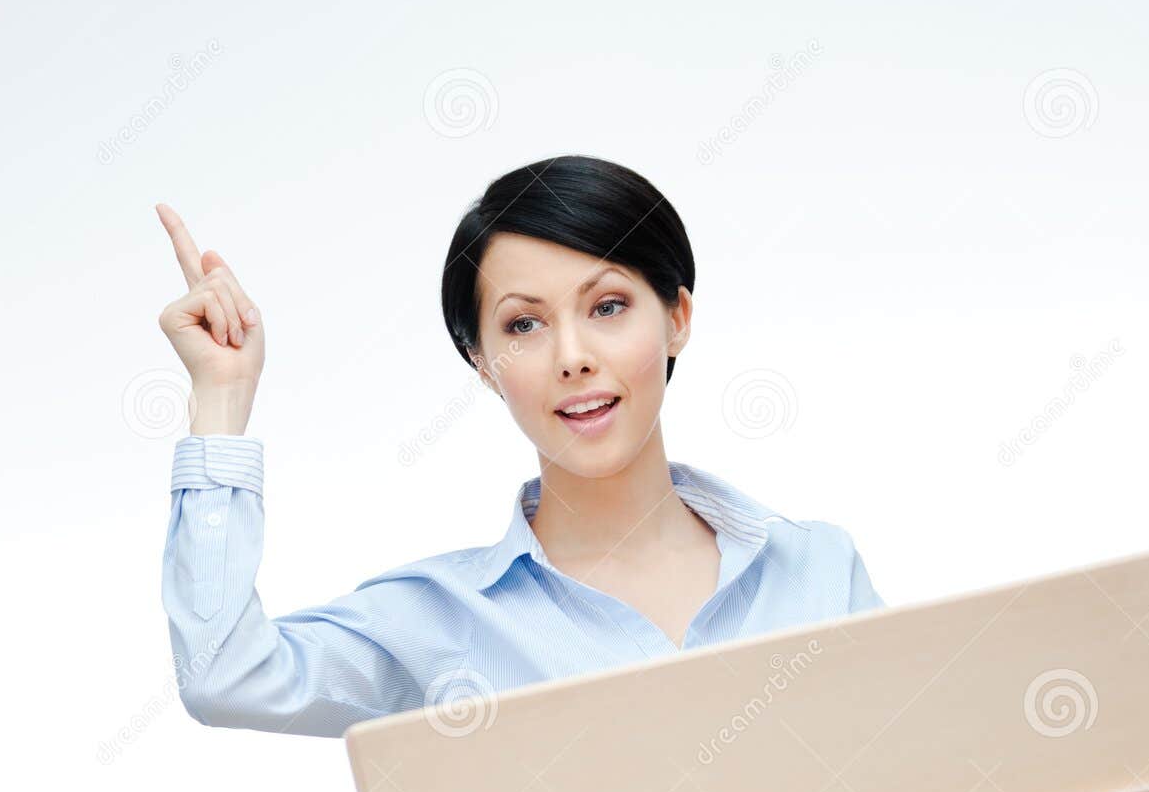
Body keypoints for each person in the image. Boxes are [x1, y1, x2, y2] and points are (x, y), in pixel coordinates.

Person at [157, 154, 885, 738]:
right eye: (523, 326)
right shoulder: (441, 619)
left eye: (607, 307)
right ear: (481, 363)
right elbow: (225, 676)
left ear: (677, 317)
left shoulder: (816, 569)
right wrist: (222, 398)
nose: (572, 357)